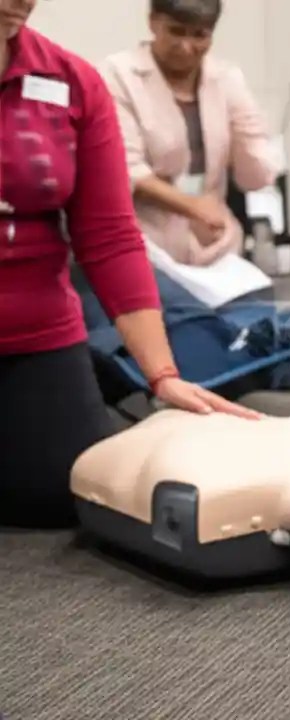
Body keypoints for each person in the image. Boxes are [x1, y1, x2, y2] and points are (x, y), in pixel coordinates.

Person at [0, 0, 257, 530]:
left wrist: (161, 375)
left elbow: (110, 236)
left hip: (36, 330)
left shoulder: (71, 82)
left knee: (61, 496)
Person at [101, 0, 279, 269]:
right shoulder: (116, 75)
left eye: (200, 35)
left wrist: (252, 137)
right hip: (142, 242)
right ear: (153, 22)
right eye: (176, 31)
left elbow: (256, 175)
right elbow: (125, 168)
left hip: (216, 242)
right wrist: (192, 206)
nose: (187, 47)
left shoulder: (227, 78)